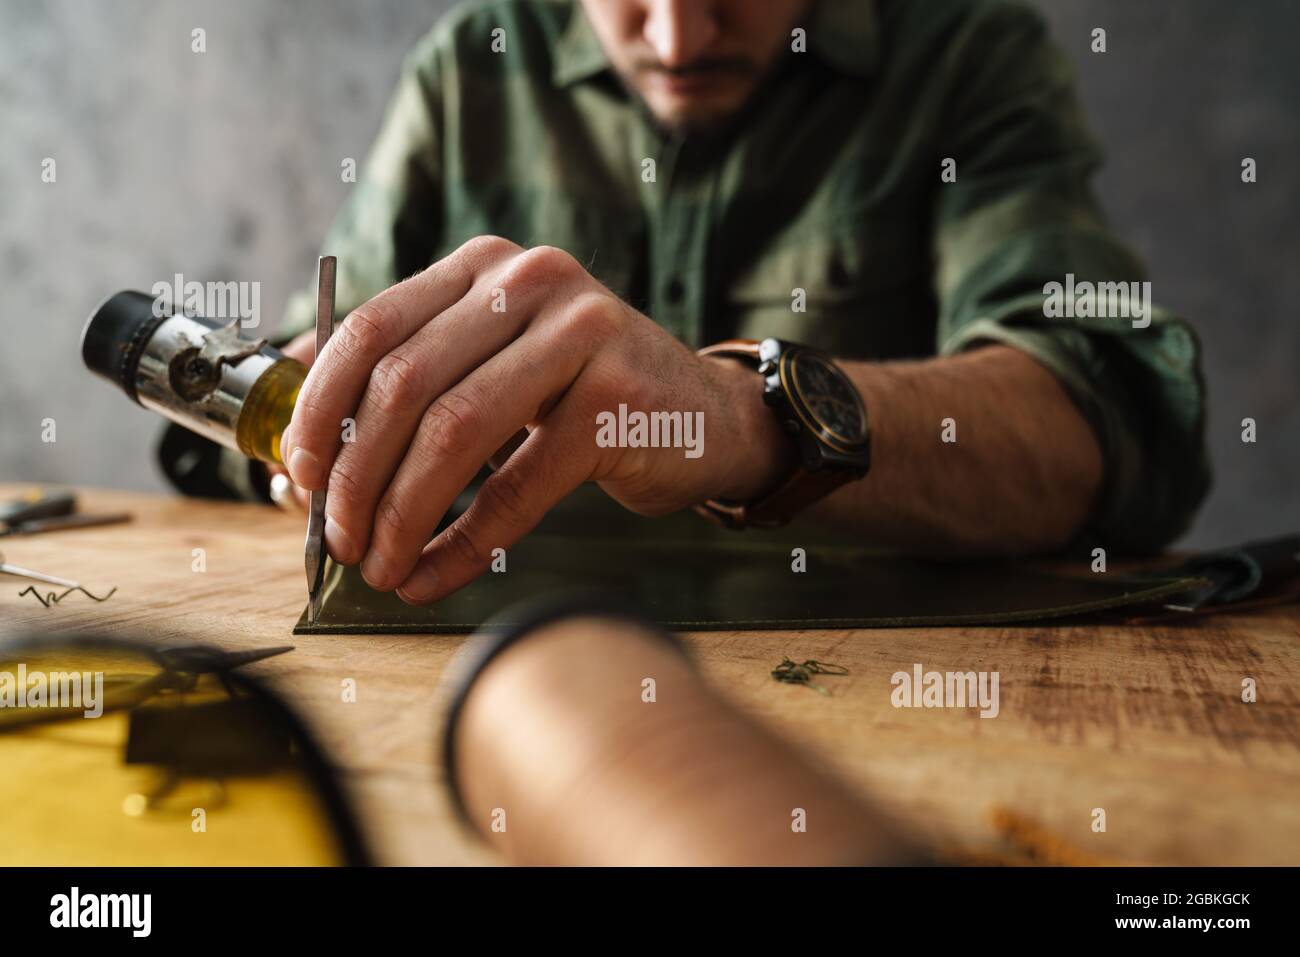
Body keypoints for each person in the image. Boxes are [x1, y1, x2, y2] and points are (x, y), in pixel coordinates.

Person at [161, 0, 1209, 605]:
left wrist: (744, 418)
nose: (677, 36)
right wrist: (321, 418)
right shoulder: (469, 68)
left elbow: (1109, 426)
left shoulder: (963, 55)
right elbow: (308, 379)